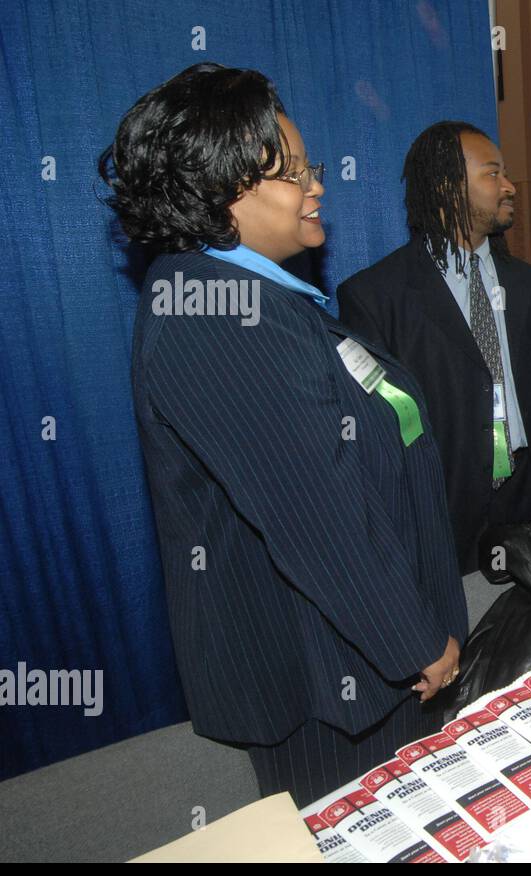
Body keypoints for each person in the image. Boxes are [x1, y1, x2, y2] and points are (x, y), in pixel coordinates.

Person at [100, 64, 468, 808]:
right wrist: (412, 639)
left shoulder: (257, 297)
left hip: (355, 656)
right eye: (294, 172)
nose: (317, 186)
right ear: (223, 189)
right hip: (329, 677)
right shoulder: (215, 313)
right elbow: (315, 511)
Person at [338, 122, 531, 576]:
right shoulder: (375, 297)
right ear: (447, 187)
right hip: (442, 513)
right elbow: (375, 432)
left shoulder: (530, 286)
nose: (509, 186)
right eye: (492, 173)